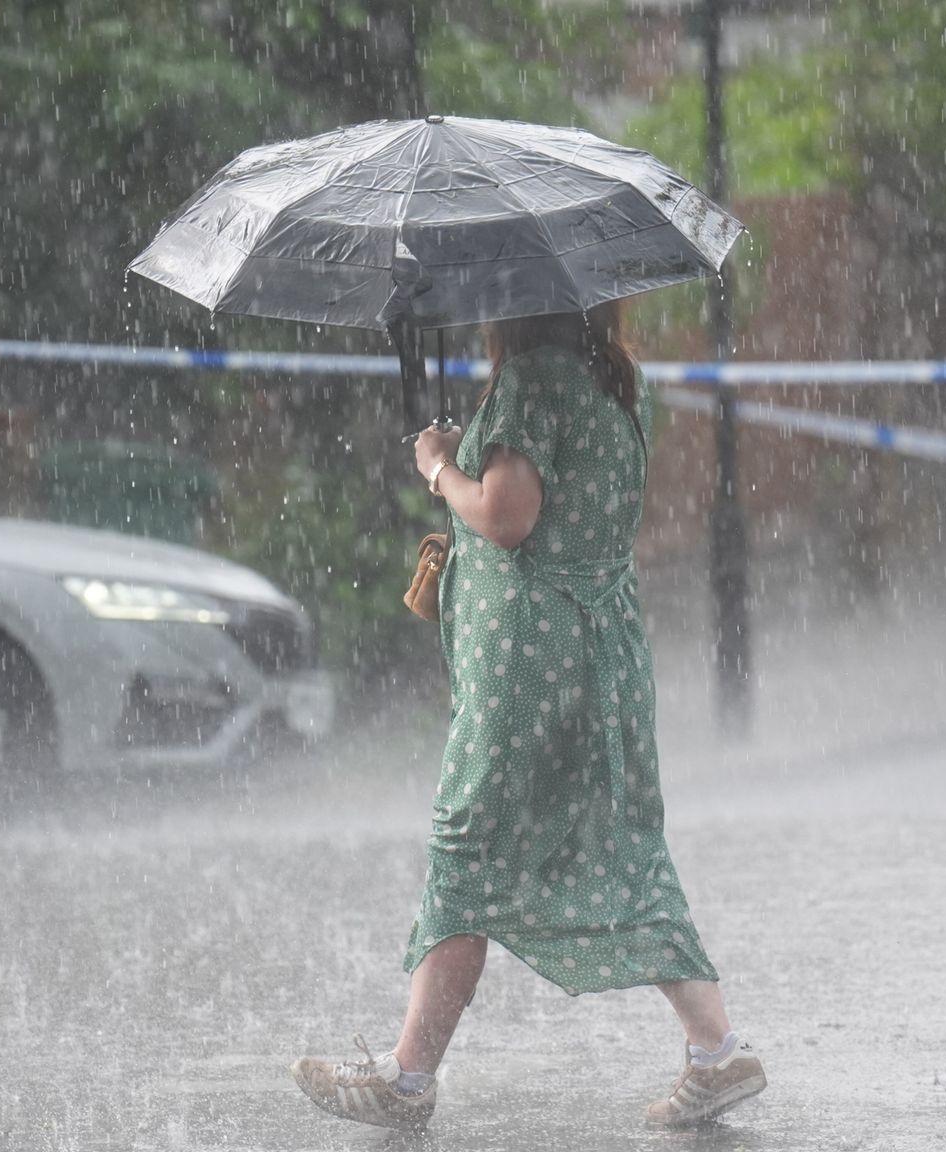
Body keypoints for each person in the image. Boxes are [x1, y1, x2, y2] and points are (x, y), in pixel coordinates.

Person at [289, 302, 766, 1130]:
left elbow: (508, 517)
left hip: (528, 668)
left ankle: (406, 1080)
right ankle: (717, 1051)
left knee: (467, 849)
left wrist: (439, 465)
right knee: (621, 844)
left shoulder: (533, 384)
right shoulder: (618, 382)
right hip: (604, 652)